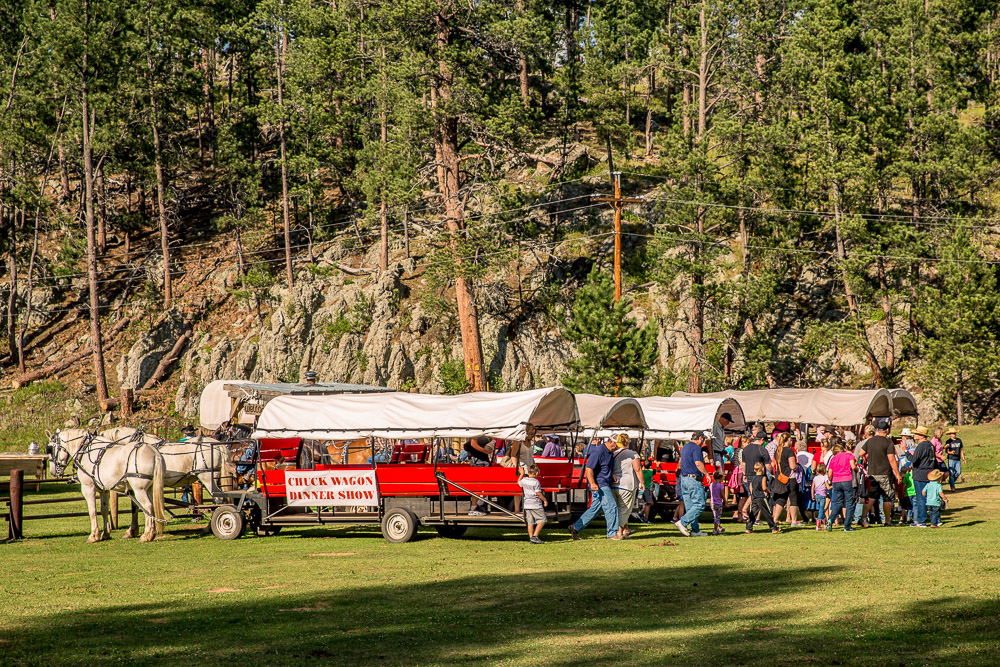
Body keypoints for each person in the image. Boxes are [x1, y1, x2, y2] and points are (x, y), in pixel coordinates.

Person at [570, 436, 621, 540]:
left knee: (595, 509)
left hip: (604, 482)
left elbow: (603, 467)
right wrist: (592, 483)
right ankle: (612, 533)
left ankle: (575, 527)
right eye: (617, 445)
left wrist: (611, 475)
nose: (617, 448)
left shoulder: (610, 452)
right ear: (611, 442)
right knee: (611, 507)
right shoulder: (598, 451)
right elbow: (589, 468)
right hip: (600, 484)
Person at [862, 418, 902, 527]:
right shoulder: (888, 442)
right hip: (884, 473)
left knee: (872, 497)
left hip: (872, 473)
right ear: (887, 430)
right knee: (887, 497)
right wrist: (897, 473)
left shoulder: (870, 441)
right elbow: (891, 459)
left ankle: (863, 517)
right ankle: (888, 521)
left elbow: (861, 452)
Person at [675, 431, 710, 537]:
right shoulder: (696, 448)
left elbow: (681, 462)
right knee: (700, 504)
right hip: (693, 479)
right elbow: (698, 463)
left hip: (684, 479)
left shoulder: (685, 447)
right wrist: (707, 474)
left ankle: (695, 530)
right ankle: (683, 522)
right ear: (700, 438)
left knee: (690, 507)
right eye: (703, 440)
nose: (702, 443)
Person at [611, 434, 643, 538]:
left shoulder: (613, 453)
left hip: (614, 485)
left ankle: (625, 530)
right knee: (624, 509)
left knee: (619, 509)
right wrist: (642, 482)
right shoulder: (633, 454)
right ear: (628, 442)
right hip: (627, 485)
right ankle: (619, 533)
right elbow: (637, 469)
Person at [826, 442, 858, 532]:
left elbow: (829, 474)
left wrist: (832, 480)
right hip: (847, 480)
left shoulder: (833, 459)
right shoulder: (849, 455)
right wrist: (857, 469)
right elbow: (853, 466)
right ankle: (847, 526)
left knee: (837, 503)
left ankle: (830, 520)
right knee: (849, 504)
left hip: (836, 481)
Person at [770, 433, 801, 526]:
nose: (791, 441)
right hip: (789, 476)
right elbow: (792, 465)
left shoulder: (777, 451)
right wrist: (797, 467)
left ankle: (774, 519)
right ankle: (794, 521)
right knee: (793, 498)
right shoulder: (789, 451)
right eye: (790, 440)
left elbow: (773, 465)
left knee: (781, 498)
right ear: (787, 440)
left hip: (780, 476)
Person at [909, 426, 935, 528]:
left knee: (920, 498)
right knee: (930, 498)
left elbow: (914, 460)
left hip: (920, 474)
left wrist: (906, 452)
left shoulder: (921, 446)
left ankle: (921, 521)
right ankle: (935, 519)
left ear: (921, 436)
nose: (914, 435)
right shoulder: (930, 445)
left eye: (916, 433)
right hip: (929, 474)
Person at [745, 462, 780, 533]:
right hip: (761, 497)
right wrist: (768, 491)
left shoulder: (753, 478)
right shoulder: (763, 478)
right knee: (767, 512)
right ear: (762, 469)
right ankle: (774, 528)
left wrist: (753, 493)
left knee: (753, 513)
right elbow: (764, 488)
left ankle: (748, 528)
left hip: (754, 497)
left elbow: (751, 486)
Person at [519, 464, 548, 543]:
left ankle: (531, 537)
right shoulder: (536, 482)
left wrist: (521, 473)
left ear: (528, 472)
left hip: (527, 504)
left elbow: (518, 482)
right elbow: (538, 493)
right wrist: (544, 500)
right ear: (537, 473)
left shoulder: (524, 480)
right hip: (535, 504)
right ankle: (535, 536)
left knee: (530, 522)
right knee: (542, 520)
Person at [812, 464, 830, 530]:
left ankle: (825, 524)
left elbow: (812, 488)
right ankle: (818, 525)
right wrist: (833, 486)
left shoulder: (815, 478)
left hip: (816, 495)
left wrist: (812, 495)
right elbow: (828, 487)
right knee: (821, 510)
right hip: (822, 495)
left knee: (820, 509)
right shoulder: (824, 478)